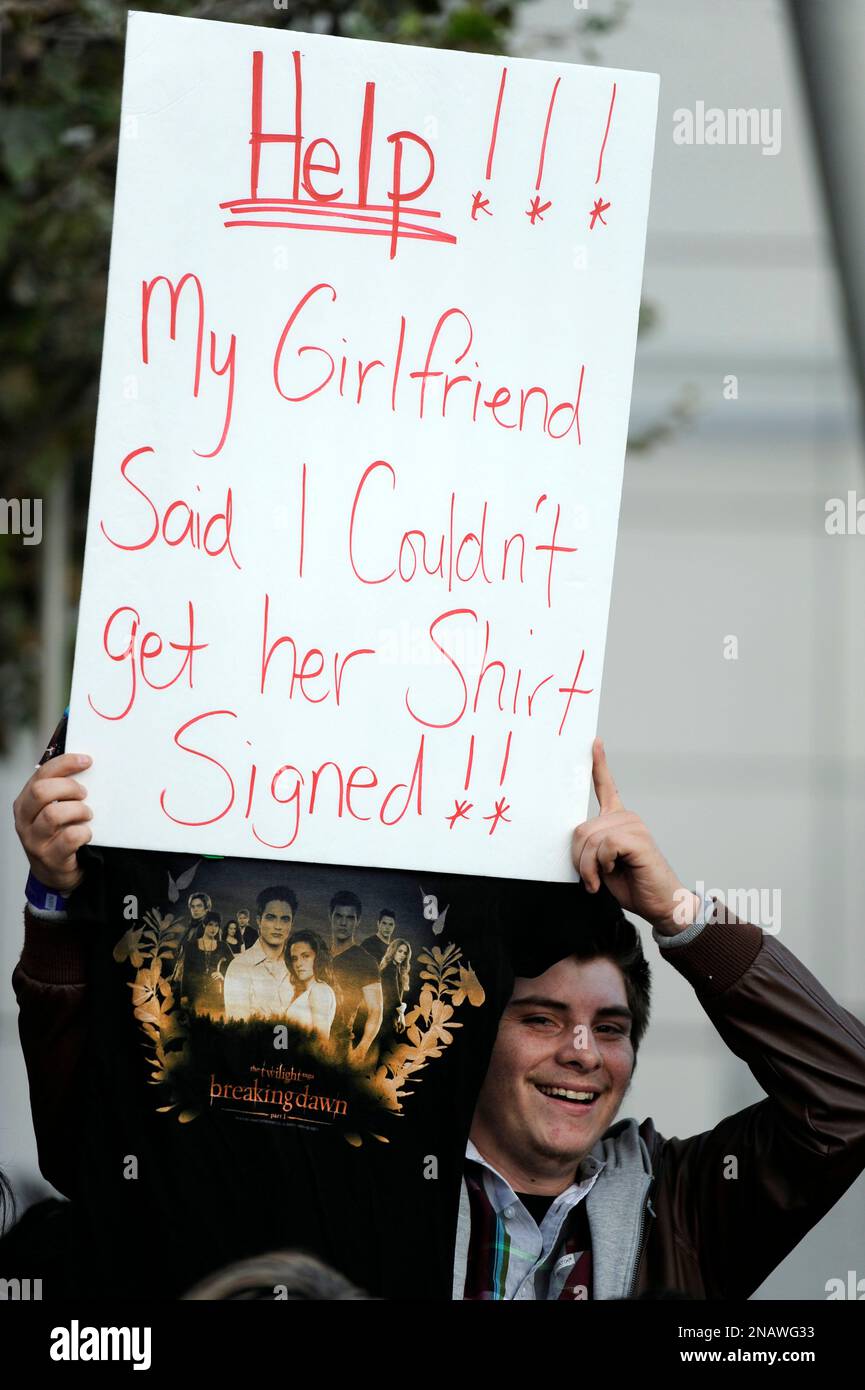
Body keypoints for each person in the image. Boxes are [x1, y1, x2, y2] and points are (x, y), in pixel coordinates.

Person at [10, 723, 865, 1300]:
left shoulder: (682, 1212)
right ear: (464, 1038)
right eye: (539, 1019)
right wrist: (57, 897)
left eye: (608, 1029)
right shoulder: (369, 1181)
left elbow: (845, 1098)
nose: (579, 1050)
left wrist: (678, 912)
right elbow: (99, 1140)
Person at [222, 887, 297, 1022]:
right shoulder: (239, 967)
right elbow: (238, 1031)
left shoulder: (300, 967)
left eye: (285, 919)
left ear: (292, 924)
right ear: (258, 920)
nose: (278, 926)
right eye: (271, 918)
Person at [328, 890, 383, 1064]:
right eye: (338, 916)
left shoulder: (366, 961)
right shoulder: (318, 954)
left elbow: (376, 1010)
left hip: (340, 1048)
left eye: (350, 918)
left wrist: (361, 1050)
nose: (343, 923)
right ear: (331, 917)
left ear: (357, 921)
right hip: (310, 1041)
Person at [285, 931, 337, 1042]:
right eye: (295, 958)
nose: (298, 964)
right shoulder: (310, 990)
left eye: (305, 956)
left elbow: (321, 1042)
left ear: (318, 958)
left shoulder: (319, 990)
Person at [178, 912, 232, 1019]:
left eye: (217, 925)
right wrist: (183, 995)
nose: (213, 928)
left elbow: (235, 967)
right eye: (210, 924)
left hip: (216, 994)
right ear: (204, 925)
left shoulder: (223, 946)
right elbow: (187, 972)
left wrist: (223, 975)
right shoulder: (191, 945)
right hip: (195, 994)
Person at [376, 938, 411, 1052]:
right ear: (393, 951)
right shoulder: (390, 969)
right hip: (387, 1015)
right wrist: (402, 1017)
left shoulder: (395, 968)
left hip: (389, 1013)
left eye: (405, 953)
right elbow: (394, 996)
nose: (402, 955)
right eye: (399, 951)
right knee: (383, 1049)